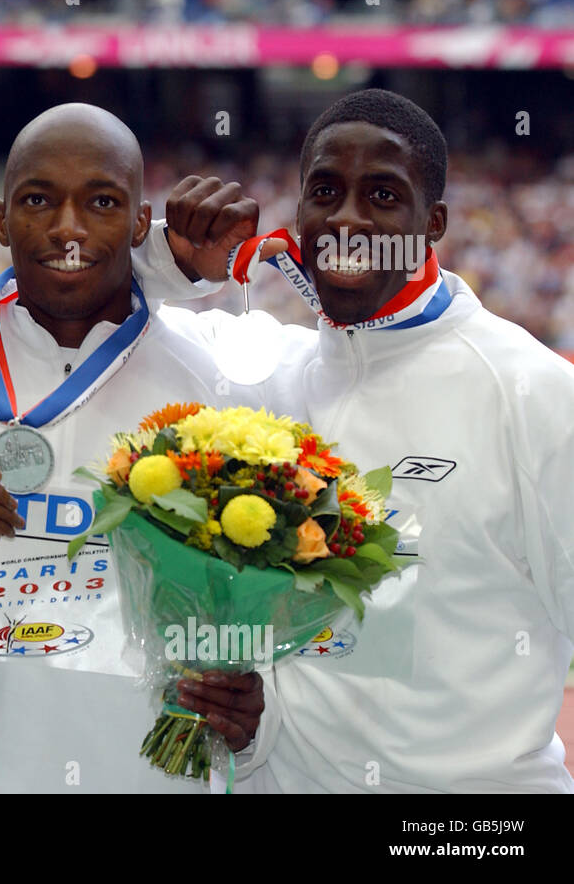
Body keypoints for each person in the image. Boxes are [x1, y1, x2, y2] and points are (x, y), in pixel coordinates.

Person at [0, 103, 272, 792]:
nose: (68, 227)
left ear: (139, 223)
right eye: (40, 200)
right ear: (1, 219)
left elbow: (257, 646)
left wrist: (253, 711)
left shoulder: (215, 389)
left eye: (101, 201)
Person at [213, 89, 574, 792]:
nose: (347, 218)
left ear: (431, 222)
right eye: (325, 190)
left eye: (382, 194)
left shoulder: (529, 392)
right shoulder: (269, 382)